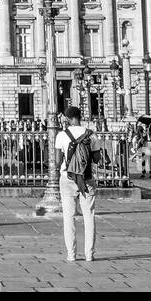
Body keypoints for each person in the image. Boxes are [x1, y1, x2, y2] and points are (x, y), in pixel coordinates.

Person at [55, 105, 96, 264]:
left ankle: (71, 255)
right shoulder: (91, 135)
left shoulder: (61, 135)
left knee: (69, 217)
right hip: (87, 178)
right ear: (80, 116)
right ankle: (89, 255)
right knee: (89, 216)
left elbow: (58, 161)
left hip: (68, 178)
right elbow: (97, 159)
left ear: (67, 118)